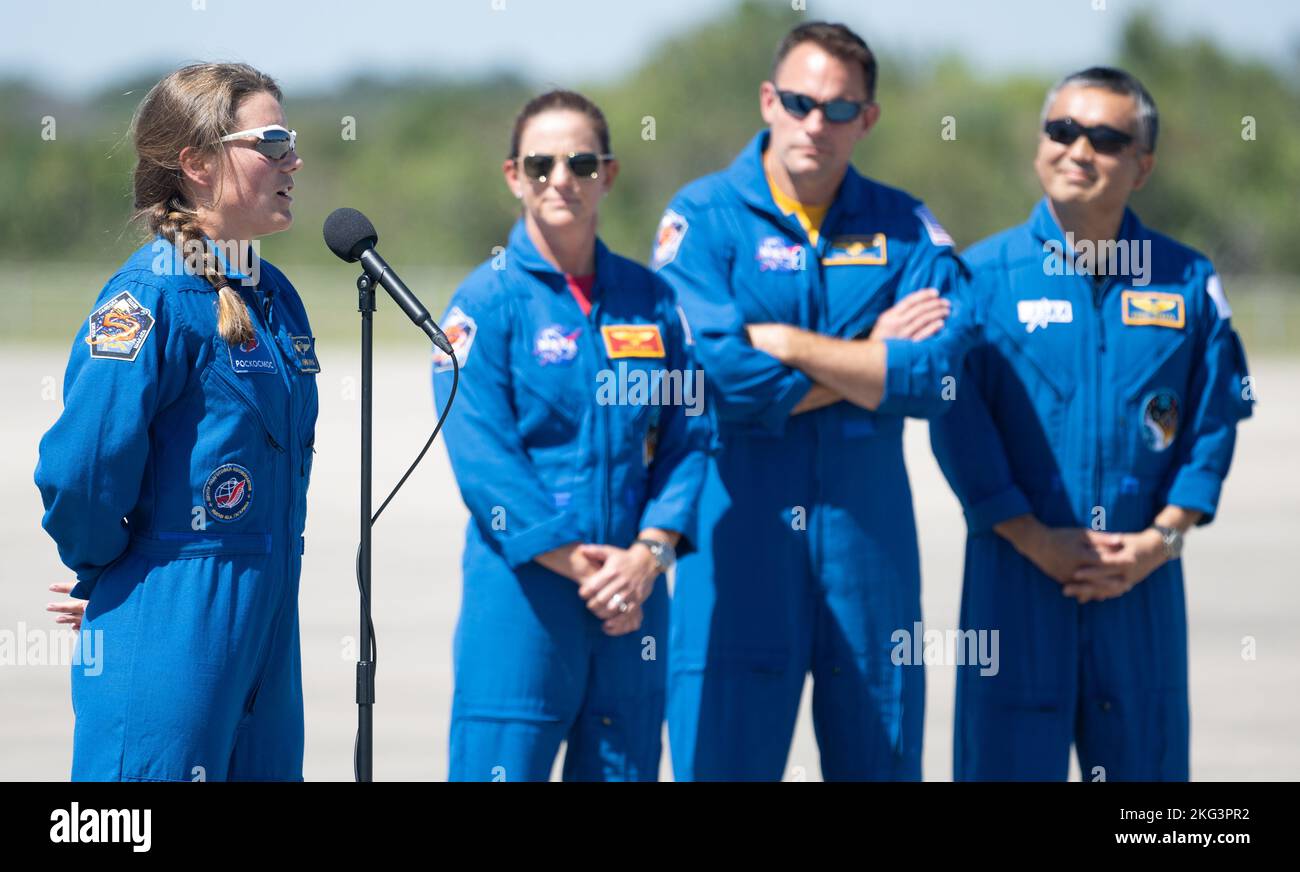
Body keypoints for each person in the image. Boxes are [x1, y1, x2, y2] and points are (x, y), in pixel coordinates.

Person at [652, 21, 977, 781]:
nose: (814, 123)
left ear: (867, 119)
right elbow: (714, 380)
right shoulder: (701, 219)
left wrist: (789, 344)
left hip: (870, 549)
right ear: (768, 100)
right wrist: (871, 362)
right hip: (735, 541)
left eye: (838, 109)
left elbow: (934, 377)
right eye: (799, 101)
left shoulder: (908, 229)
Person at [930, 67, 1254, 781]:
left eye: (1106, 138)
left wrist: (1159, 540)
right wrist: (1030, 535)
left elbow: (1215, 417)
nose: (1079, 149)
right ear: (1040, 145)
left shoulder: (1187, 282)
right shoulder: (977, 279)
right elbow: (955, 418)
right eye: (1062, 130)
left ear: (1142, 166)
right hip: (1014, 579)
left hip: (1135, 582)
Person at [35, 62, 316, 781]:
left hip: (269, 635)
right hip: (172, 631)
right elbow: (83, 469)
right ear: (195, 162)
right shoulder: (147, 300)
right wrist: (114, 572)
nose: (294, 160)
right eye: (273, 141)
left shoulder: (275, 297)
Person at [432, 90, 709, 782]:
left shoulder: (655, 302)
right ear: (513, 175)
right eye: (542, 163)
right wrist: (590, 573)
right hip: (525, 599)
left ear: (608, 175)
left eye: (582, 162)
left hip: (634, 600)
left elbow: (691, 437)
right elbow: (483, 459)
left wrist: (647, 558)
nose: (562, 178)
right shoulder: (484, 305)